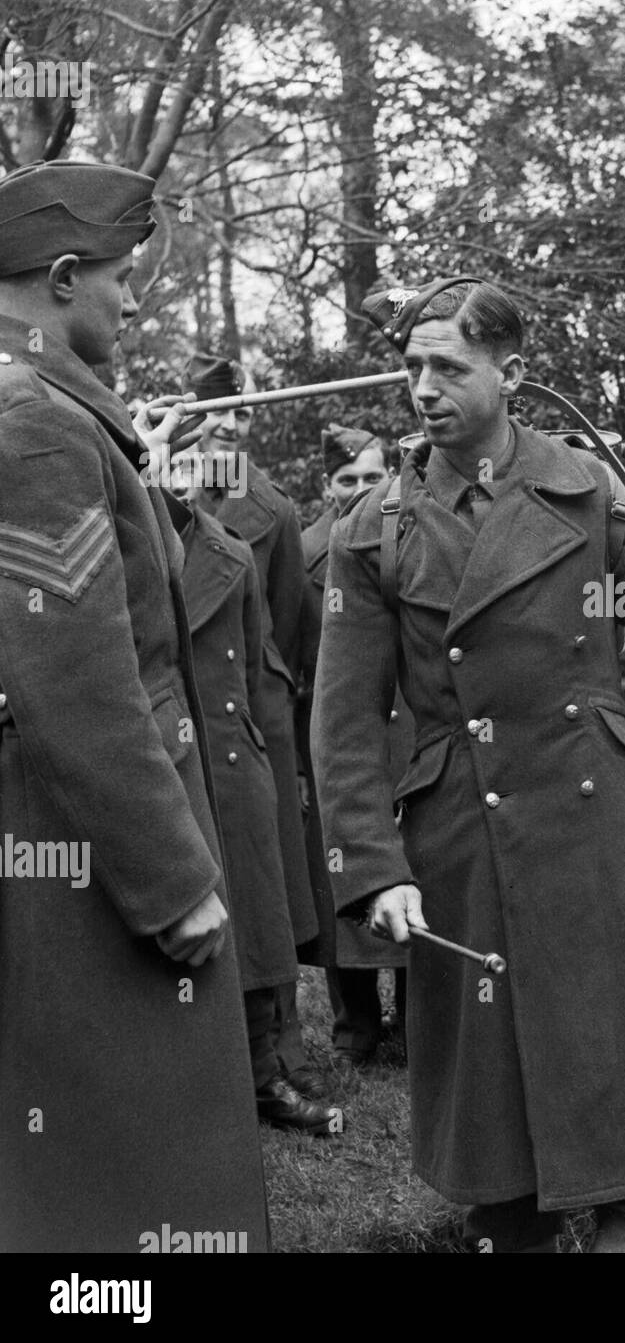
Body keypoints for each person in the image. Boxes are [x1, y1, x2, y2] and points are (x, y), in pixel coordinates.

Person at [313, 276, 625, 1252]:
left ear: (511, 373)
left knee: (624, 1073)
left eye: (448, 367)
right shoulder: (373, 527)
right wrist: (372, 866)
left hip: (601, 823)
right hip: (466, 834)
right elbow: (342, 723)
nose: (423, 387)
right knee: (494, 1117)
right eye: (413, 366)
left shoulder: (590, 494)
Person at [0, 159, 268, 1250]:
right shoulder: (39, 425)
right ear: (63, 277)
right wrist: (172, 882)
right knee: (134, 1177)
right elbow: (75, 681)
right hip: (91, 865)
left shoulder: (46, 410)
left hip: (71, 843)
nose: (133, 298)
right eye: (122, 277)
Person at [172, 452, 342, 1133]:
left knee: (253, 912)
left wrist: (280, 762)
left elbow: (265, 664)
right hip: (158, 753)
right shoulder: (116, 541)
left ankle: (266, 1076)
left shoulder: (232, 552)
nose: (185, 477)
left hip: (233, 752)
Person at [187, 354, 325, 1097]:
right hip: (183, 707)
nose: (227, 430)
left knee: (268, 881)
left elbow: (289, 633)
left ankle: (285, 1049)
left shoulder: (272, 510)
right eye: (214, 416)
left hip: (253, 708)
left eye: (239, 416)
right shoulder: (149, 497)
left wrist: (293, 749)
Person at [298, 423, 408, 1067]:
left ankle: (422, 1018)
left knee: (413, 866)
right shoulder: (309, 551)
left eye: (374, 478)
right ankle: (355, 1025)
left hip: (409, 732)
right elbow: (284, 659)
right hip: (338, 736)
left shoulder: (408, 534)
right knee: (342, 870)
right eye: (348, 481)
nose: (363, 490)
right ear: (325, 486)